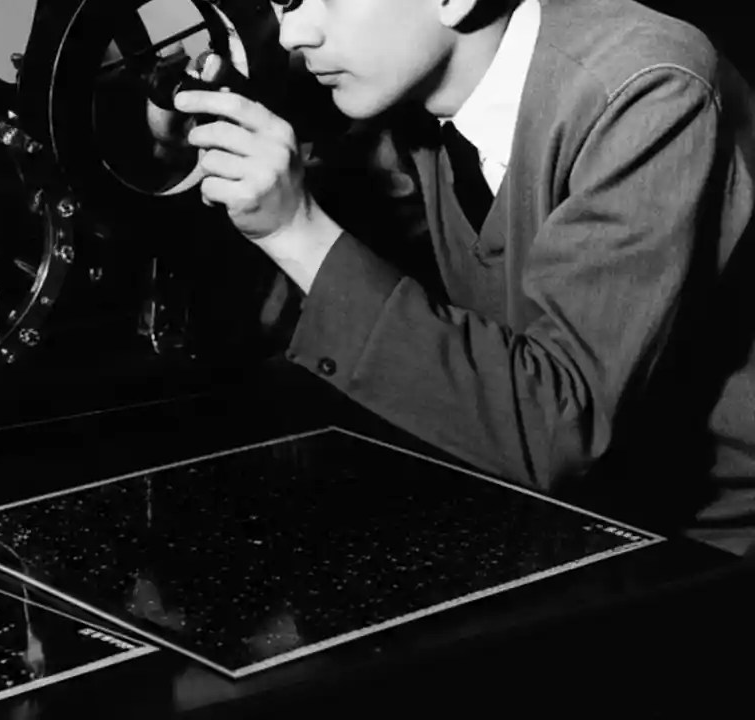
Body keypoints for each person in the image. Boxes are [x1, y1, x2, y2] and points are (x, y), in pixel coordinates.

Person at [170, 0, 755, 555]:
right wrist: (195, 120)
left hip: (707, 547)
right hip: (550, 513)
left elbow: (563, 429)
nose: (296, 34)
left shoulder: (647, 88)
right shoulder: (407, 80)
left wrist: (294, 230)